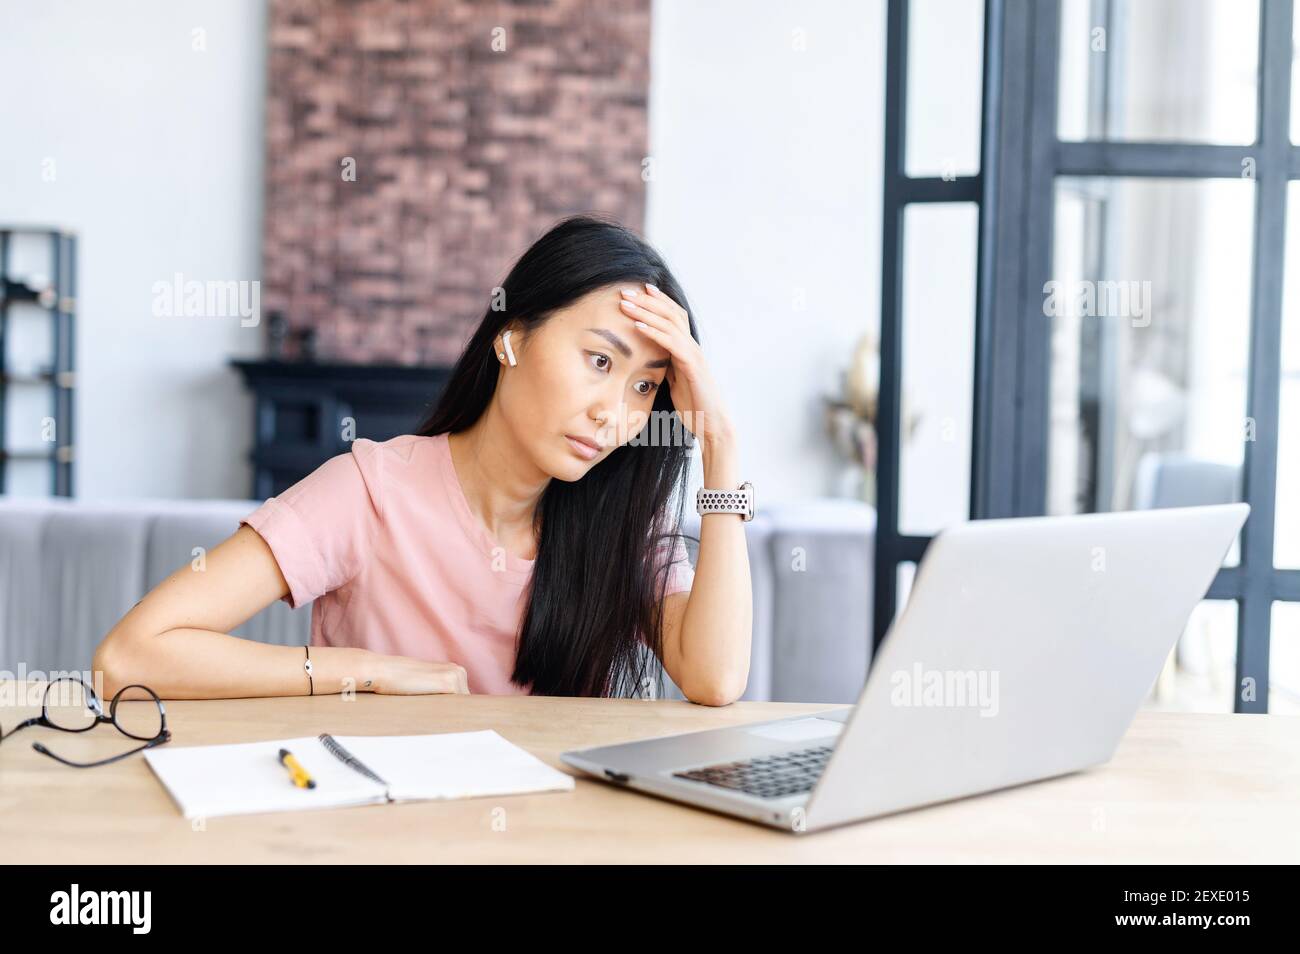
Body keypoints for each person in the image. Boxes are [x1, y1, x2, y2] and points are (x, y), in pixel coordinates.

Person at [93, 214, 752, 703]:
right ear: (511, 339)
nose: (616, 411)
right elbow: (128, 657)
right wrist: (368, 671)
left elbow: (716, 678)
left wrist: (719, 443)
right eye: (600, 360)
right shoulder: (372, 491)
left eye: (644, 385)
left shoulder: (622, 528)